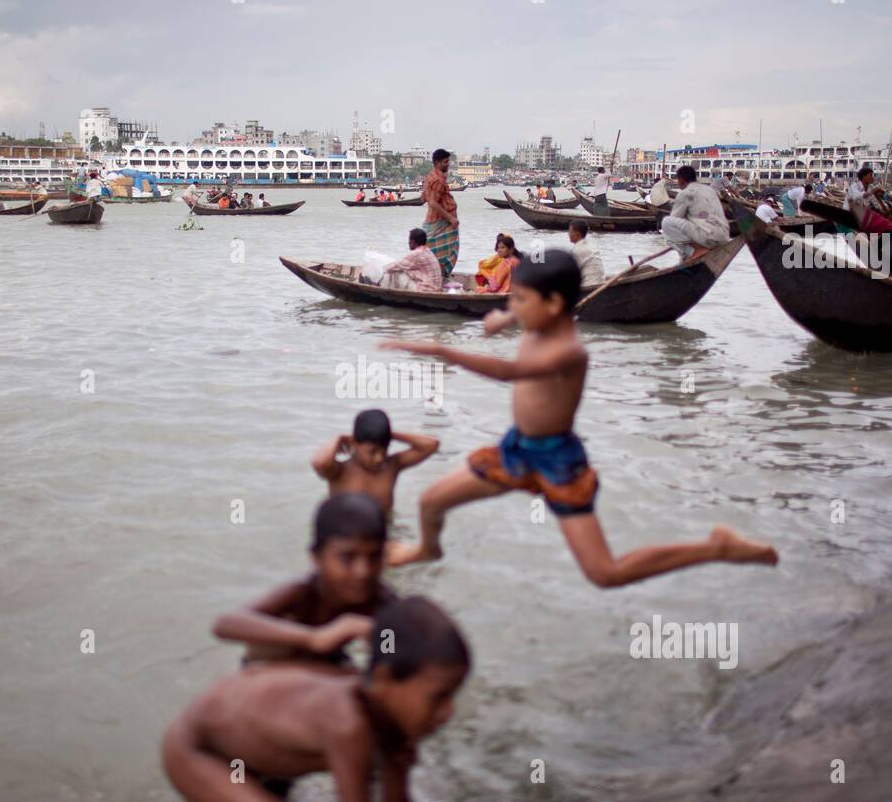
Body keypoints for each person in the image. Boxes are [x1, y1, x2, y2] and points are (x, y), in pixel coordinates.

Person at [379, 250, 778, 586]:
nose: (512, 306)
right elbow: (523, 317)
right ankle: (427, 549)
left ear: (552, 305)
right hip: (518, 448)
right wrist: (505, 317)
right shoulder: (539, 319)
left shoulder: (570, 351)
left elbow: (508, 373)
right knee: (430, 501)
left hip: (557, 461)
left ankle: (717, 547)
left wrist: (442, 351)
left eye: (519, 299)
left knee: (604, 573)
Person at [162, 595, 470, 802]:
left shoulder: (390, 718)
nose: (449, 713)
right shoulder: (348, 725)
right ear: (384, 679)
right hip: (199, 752)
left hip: (238, 749)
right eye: (438, 697)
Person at [213, 493, 399, 666]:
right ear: (316, 558)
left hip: (327, 664)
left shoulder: (381, 599)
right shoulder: (302, 591)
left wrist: (384, 640)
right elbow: (226, 624)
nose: (362, 571)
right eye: (347, 557)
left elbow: (390, 652)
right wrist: (314, 638)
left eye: (374, 556)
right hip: (269, 669)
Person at [312, 411, 439, 516]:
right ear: (354, 444)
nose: (379, 458)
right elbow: (319, 463)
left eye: (384, 451)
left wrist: (388, 434)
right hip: (346, 535)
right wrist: (338, 439)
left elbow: (431, 445)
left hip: (381, 534)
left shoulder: (391, 466)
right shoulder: (339, 470)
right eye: (372, 452)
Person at [660, 166, 731, 261]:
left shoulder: (685, 193)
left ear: (681, 180)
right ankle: (695, 251)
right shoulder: (709, 190)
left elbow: (675, 219)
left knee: (666, 223)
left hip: (708, 238)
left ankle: (696, 251)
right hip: (724, 237)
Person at [422, 149, 460, 277]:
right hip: (441, 222)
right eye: (445, 162)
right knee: (448, 250)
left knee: (429, 249)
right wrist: (451, 219)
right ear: (437, 162)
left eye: (448, 161)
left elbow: (424, 198)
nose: (448, 164)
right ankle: (439, 274)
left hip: (434, 220)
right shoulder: (438, 180)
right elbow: (432, 202)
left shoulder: (430, 176)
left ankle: (435, 273)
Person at [381, 228, 445, 293]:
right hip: (436, 288)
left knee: (395, 272)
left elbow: (394, 266)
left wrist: (381, 272)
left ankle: (385, 290)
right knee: (405, 270)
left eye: (409, 240)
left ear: (413, 241)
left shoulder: (416, 253)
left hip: (427, 289)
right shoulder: (428, 251)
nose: (408, 242)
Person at [846, 166, 892, 233]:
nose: (872, 178)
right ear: (864, 177)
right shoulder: (854, 186)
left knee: (886, 212)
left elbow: (876, 202)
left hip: (863, 215)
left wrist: (885, 208)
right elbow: (857, 197)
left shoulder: (870, 187)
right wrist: (872, 192)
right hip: (851, 215)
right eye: (870, 175)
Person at [567, 220, 605, 286]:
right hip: (599, 282)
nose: (568, 234)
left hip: (589, 285)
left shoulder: (578, 250)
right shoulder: (590, 246)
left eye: (570, 232)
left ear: (578, 234)